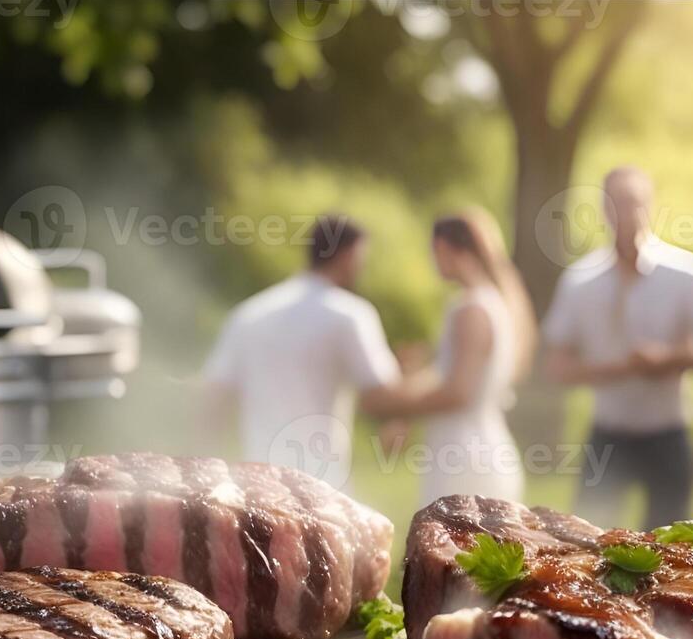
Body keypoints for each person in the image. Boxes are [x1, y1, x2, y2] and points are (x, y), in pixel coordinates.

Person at [542, 166, 693, 529]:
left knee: (673, 545)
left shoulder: (689, 275)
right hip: (607, 435)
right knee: (590, 540)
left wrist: (671, 358)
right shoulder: (579, 281)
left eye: (636, 202)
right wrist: (619, 369)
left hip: (668, 433)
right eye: (619, 202)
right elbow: (556, 367)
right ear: (604, 208)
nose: (629, 212)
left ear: (650, 205)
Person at [202, 214, 400, 474]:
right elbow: (382, 395)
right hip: (322, 483)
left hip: (258, 479)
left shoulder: (249, 313)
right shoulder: (350, 314)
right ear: (348, 255)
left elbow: (214, 395)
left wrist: (208, 466)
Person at [362, 208, 534, 505]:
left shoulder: (471, 308)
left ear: (443, 248)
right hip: (470, 449)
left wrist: (392, 403)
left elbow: (457, 392)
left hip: (466, 456)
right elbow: (448, 376)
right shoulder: (490, 301)